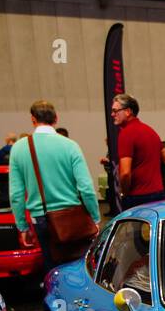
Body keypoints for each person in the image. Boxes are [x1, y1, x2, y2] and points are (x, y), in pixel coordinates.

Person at [8, 99, 101, 273]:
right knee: (80, 267)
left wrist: (22, 226)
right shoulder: (70, 146)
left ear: (33, 120)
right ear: (56, 119)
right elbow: (86, 187)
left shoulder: (19, 149)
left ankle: (56, 300)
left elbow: (16, 194)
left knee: (52, 270)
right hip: (73, 217)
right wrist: (95, 218)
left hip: (41, 218)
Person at [111, 94, 165, 203]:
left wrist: (124, 193)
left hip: (138, 196)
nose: (112, 114)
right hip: (159, 193)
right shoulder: (151, 131)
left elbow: (125, 173)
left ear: (127, 111)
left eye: (115, 110)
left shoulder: (126, 134)